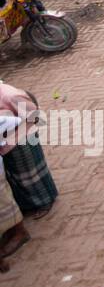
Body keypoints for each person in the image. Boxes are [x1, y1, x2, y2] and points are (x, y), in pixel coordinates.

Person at [0, 81, 57, 220]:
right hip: (7, 143)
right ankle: (29, 203)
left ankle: (45, 202)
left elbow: (34, 113)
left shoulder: (9, 95)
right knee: (18, 176)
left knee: (32, 175)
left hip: (23, 139)